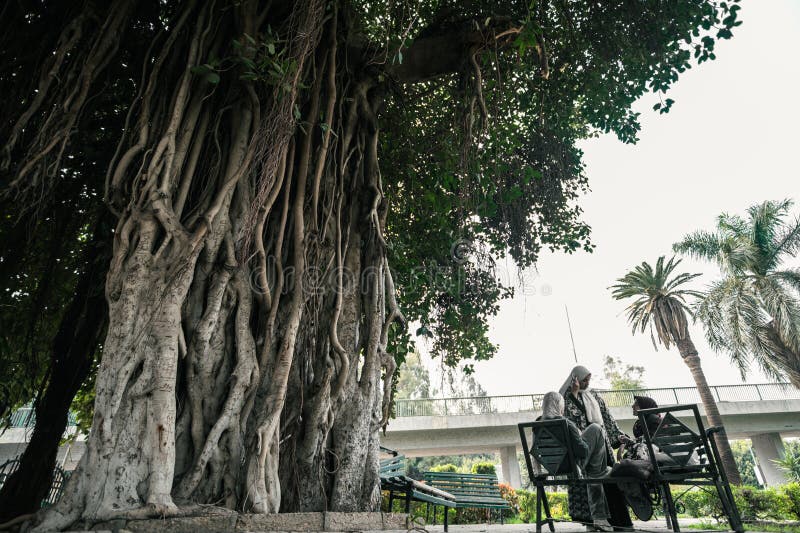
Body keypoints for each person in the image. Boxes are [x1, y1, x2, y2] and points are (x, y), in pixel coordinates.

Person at [560, 365, 634, 531]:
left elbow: (607, 417)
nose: (586, 383)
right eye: (583, 380)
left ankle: (620, 523)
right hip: (583, 447)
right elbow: (567, 420)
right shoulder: (566, 397)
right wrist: (573, 393)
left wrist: (619, 435)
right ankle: (592, 523)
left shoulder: (594, 395)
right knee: (587, 483)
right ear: (575, 379)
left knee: (610, 481)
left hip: (603, 445)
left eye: (588, 380)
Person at [540, 391, 614, 532]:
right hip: (572, 467)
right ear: (559, 406)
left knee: (593, 468)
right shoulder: (566, 423)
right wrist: (580, 437)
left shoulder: (537, 424)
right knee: (596, 429)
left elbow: (536, 451)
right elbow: (582, 451)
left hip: (552, 467)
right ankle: (599, 515)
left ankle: (596, 518)